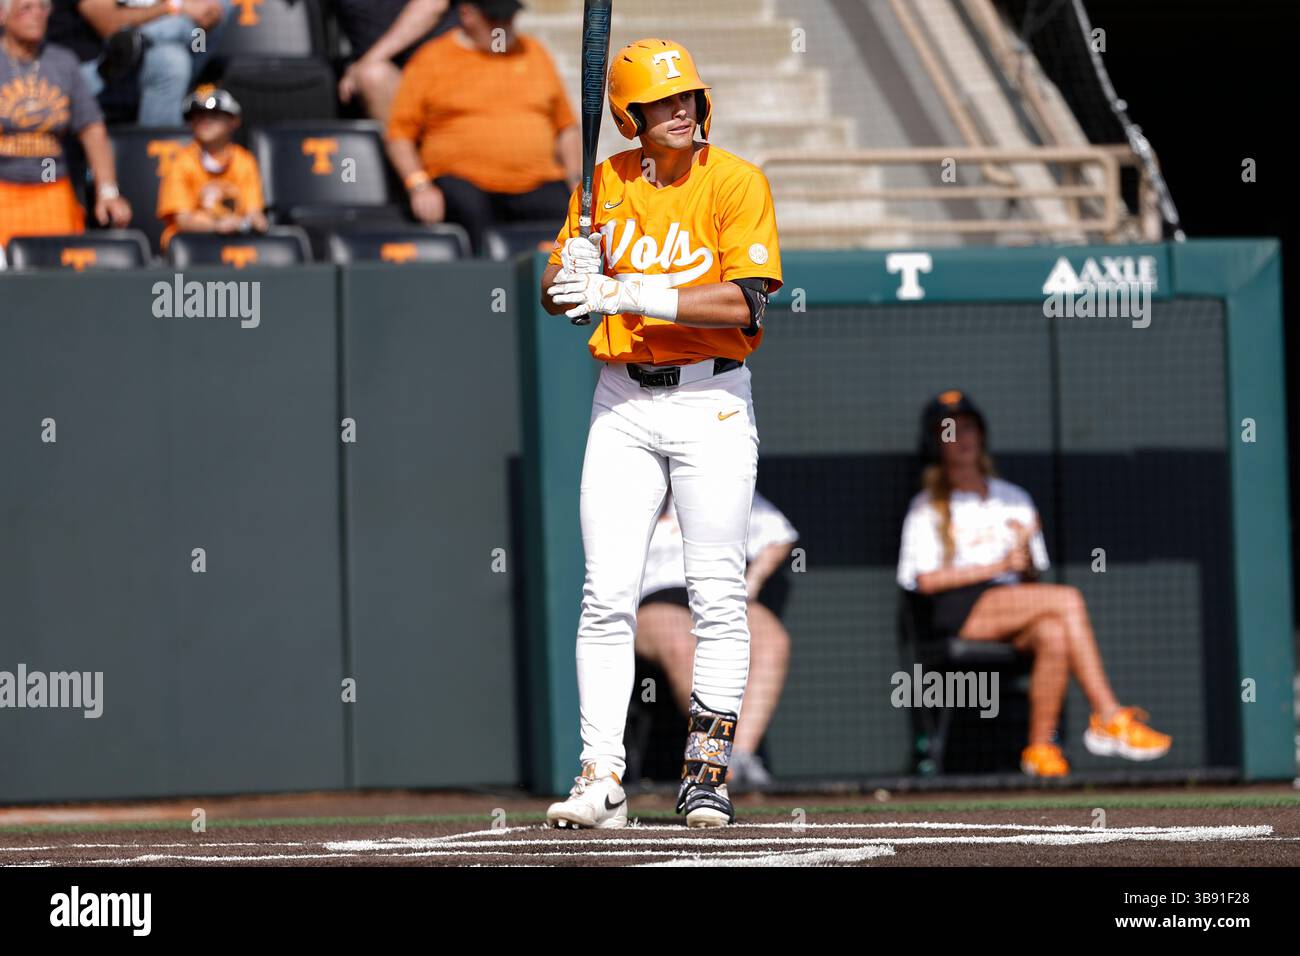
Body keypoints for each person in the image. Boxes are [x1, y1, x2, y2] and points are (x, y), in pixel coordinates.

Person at [540, 38, 782, 829]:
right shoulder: (602, 184)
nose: (679, 111)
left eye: (687, 99)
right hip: (622, 398)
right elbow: (556, 296)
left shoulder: (737, 181)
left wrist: (630, 287)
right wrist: (570, 273)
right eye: (661, 103)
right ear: (629, 116)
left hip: (710, 401)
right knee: (604, 593)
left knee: (717, 594)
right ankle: (600, 776)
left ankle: (706, 772)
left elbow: (746, 304)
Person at [896, 389, 1173, 777]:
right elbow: (923, 580)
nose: (961, 438)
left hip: (1013, 602)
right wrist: (998, 564)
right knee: (1068, 600)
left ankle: (1040, 749)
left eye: (969, 428)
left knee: (1054, 632)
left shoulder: (1014, 498)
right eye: (949, 431)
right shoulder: (926, 506)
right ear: (935, 443)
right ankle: (1108, 715)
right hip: (956, 610)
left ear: (982, 435)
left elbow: (1029, 575)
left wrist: (1022, 557)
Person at [384, 0, 578, 255]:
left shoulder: (533, 52)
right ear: (467, 14)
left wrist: (576, 179)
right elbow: (399, 134)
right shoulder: (433, 58)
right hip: (464, 184)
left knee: (574, 220)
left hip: (536, 182)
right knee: (470, 210)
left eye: (508, 18)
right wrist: (419, 184)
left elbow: (567, 127)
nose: (504, 26)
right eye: (494, 19)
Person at [637, 490, 797, 788]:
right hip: (655, 599)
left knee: (772, 639)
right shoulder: (634, 489)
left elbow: (780, 534)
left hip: (721, 597)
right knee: (683, 645)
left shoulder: (721, 483)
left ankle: (738, 757)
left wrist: (754, 581)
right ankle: (715, 753)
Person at [0, 0, 131, 247]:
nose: (37, 15)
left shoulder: (62, 62)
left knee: (63, 265)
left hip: (51, 189)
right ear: (2, 16)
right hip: (3, 189)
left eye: (43, 8)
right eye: (26, 8)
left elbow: (91, 127)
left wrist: (108, 192)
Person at [48, 0, 226, 127]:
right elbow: (109, 24)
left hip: (140, 63)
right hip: (89, 75)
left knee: (220, 6)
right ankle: (140, 42)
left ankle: (141, 41)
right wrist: (174, 6)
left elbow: (202, 8)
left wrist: (196, 10)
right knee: (172, 59)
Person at [156, 87, 266, 249]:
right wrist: (217, 225)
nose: (205, 121)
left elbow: (254, 211)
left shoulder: (245, 161)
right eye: (198, 116)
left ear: (233, 121)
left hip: (235, 245)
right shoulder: (180, 162)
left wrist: (256, 222)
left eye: (214, 115)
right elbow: (182, 220)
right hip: (191, 246)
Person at [334, 0, 457, 126]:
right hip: (387, 80)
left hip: (448, 68)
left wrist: (369, 59)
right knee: (372, 76)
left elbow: (433, 4)